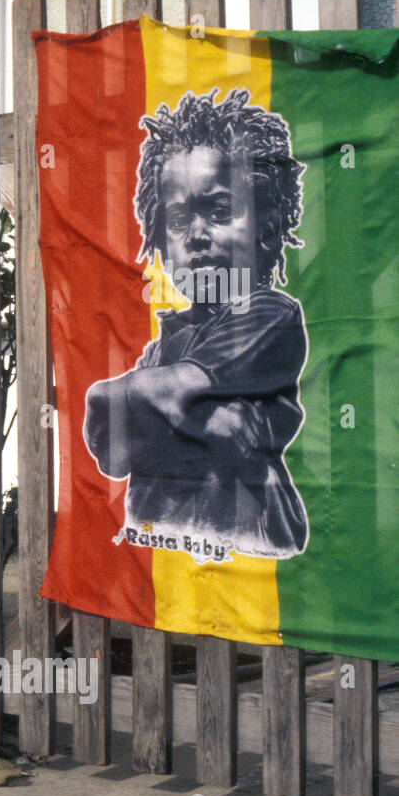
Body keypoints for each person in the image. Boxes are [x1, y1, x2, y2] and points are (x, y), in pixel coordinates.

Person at [83, 88, 309, 562]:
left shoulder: (268, 314)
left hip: (248, 549)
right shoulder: (168, 338)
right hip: (164, 545)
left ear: (266, 223)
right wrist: (210, 419)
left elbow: (141, 397)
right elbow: (110, 445)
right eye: (180, 217)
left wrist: (155, 403)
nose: (198, 235)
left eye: (220, 210)